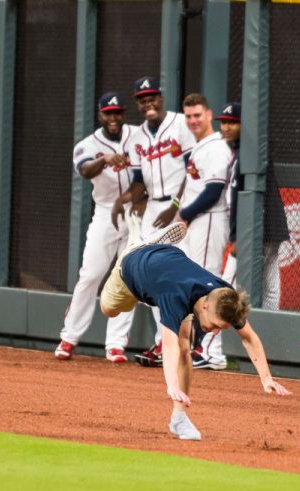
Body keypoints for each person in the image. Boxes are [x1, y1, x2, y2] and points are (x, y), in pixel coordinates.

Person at [99, 218, 291, 441]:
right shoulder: (175, 295)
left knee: (185, 347)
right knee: (109, 310)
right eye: (217, 325)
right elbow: (167, 347)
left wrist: (266, 378)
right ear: (206, 306)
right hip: (129, 272)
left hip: (166, 264)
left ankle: (179, 419)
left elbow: (249, 337)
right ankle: (138, 245)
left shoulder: (225, 296)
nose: (216, 331)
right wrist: (171, 386)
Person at [111, 76, 197, 367]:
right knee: (151, 277)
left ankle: (183, 343)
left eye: (152, 97)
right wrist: (123, 200)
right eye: (142, 98)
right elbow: (138, 182)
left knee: (177, 276)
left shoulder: (181, 124)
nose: (148, 102)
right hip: (152, 211)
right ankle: (164, 342)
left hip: (180, 207)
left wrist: (176, 207)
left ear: (161, 98)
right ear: (138, 104)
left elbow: (191, 171)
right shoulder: (137, 139)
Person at [54, 92, 138, 363]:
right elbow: (85, 170)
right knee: (90, 275)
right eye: (108, 113)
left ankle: (115, 345)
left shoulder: (138, 135)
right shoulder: (88, 144)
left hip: (137, 213)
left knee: (128, 279)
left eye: (117, 112)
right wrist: (105, 160)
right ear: (100, 115)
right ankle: (69, 337)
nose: (113, 118)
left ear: (123, 114)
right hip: (105, 213)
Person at [175, 93, 234, 370]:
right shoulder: (203, 145)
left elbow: (213, 191)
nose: (193, 120)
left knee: (208, 284)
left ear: (209, 115)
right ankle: (202, 347)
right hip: (199, 221)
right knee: (198, 286)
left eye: (197, 115)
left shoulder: (215, 147)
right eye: (188, 116)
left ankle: (213, 352)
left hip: (209, 219)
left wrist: (184, 214)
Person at [218, 102, 289, 311]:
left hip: (260, 230)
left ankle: (217, 340)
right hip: (266, 228)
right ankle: (263, 332)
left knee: (230, 285)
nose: (226, 128)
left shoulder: (253, 152)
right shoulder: (241, 153)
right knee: (269, 286)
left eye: (232, 123)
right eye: (223, 123)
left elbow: (246, 198)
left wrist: (238, 236)